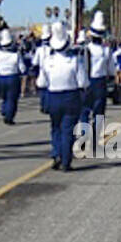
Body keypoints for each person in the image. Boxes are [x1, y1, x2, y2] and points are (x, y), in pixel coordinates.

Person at [38, 21, 87, 171]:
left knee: (55, 127)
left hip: (53, 95)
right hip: (71, 96)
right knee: (68, 130)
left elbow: (41, 82)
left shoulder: (48, 61)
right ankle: (66, 161)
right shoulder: (75, 60)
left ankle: (56, 153)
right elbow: (82, 82)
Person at [82, 11, 113, 150]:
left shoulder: (85, 50)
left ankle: (82, 137)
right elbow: (111, 69)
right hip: (100, 82)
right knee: (99, 112)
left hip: (87, 81)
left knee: (84, 110)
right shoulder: (106, 51)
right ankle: (94, 141)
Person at [0, 28, 24, 124]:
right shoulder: (16, 55)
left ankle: (5, 110)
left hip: (1, 77)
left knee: (5, 97)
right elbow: (22, 68)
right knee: (12, 98)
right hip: (13, 77)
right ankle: (9, 116)